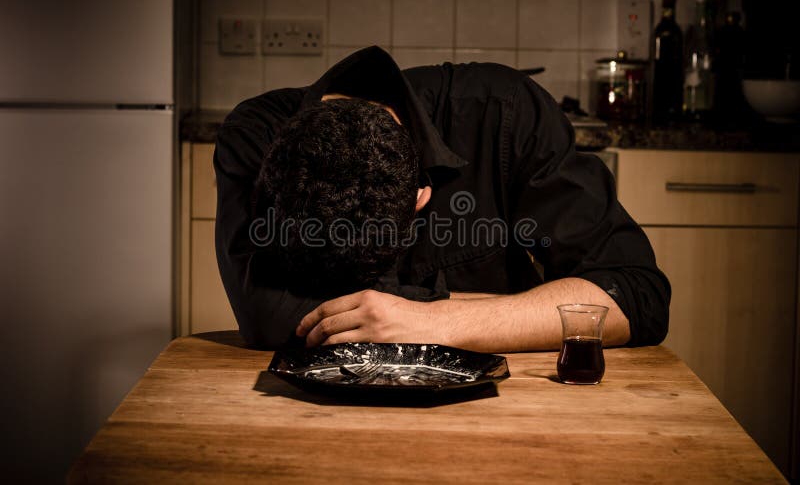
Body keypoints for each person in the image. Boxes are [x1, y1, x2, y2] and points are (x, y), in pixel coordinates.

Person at [214, 46, 670, 352]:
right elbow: (264, 315)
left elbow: (636, 298)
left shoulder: (505, 112)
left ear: (421, 195)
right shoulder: (258, 138)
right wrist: (512, 312)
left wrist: (439, 321)